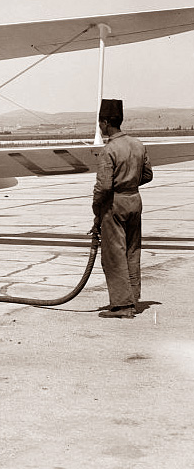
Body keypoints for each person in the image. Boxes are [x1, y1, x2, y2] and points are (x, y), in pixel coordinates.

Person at [91, 99, 152, 319]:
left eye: (100, 123)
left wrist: (97, 209)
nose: (100, 127)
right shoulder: (138, 144)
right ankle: (133, 299)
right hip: (134, 201)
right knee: (132, 251)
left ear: (106, 123)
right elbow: (148, 175)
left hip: (115, 205)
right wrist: (130, 183)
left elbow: (104, 186)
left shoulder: (109, 150)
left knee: (114, 255)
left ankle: (122, 305)